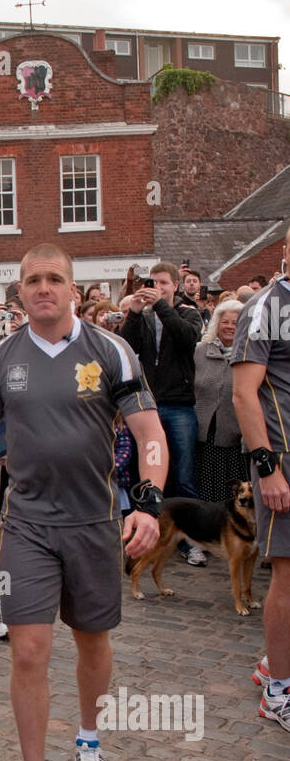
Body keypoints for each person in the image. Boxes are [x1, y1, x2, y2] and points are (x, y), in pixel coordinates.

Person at [0, 243, 166, 761]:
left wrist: (149, 502)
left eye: (55, 279)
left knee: (92, 642)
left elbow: (150, 432)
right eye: (33, 280)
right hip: (27, 524)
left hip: (95, 522)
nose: (43, 288)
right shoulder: (1, 359)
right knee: (28, 650)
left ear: (73, 289)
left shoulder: (112, 351)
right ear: (19, 291)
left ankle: (89, 741)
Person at [231, 237, 290, 731]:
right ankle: (279, 692)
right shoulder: (266, 305)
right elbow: (244, 394)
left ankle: (275, 662)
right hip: (284, 460)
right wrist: (267, 467)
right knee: (286, 578)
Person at [121, 261, 205, 563]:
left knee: (182, 475)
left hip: (179, 404)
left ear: (175, 286)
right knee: (139, 472)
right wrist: (134, 311)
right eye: (152, 283)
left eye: (163, 283)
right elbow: (126, 347)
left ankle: (191, 540)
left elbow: (187, 338)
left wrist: (161, 307)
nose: (156, 288)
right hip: (147, 405)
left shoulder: (188, 312)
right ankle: (139, 535)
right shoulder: (142, 317)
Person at [193, 299, 246, 501]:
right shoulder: (200, 351)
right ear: (217, 323)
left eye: (235, 322)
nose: (230, 327)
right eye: (225, 322)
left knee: (232, 495)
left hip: (235, 437)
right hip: (203, 436)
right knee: (206, 494)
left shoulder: (249, 354)